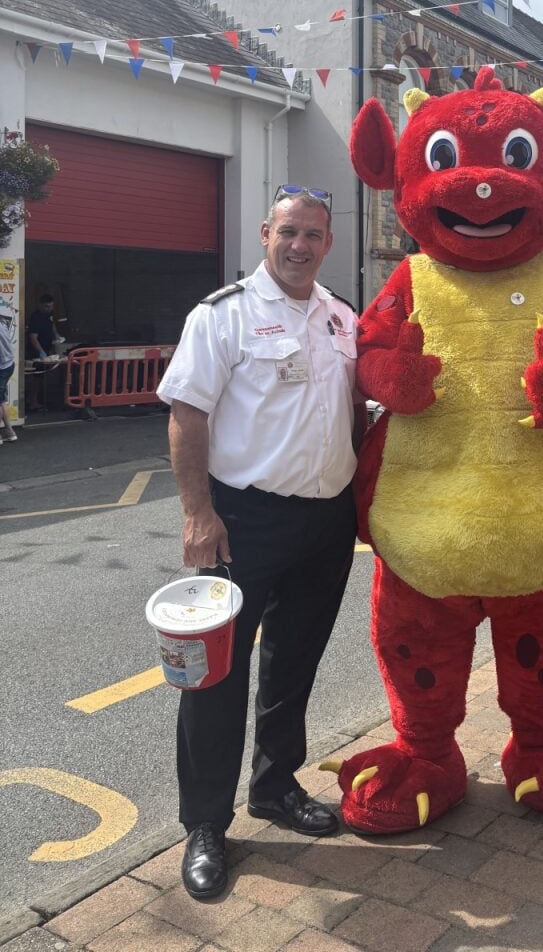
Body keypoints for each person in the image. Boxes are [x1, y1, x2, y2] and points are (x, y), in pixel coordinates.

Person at [156, 186, 365, 900]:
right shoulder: (223, 316)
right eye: (288, 232)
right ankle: (206, 825)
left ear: (327, 242)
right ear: (264, 234)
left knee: (293, 664)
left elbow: (354, 412)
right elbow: (187, 413)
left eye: (313, 234)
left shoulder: (342, 317)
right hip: (243, 519)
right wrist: (197, 513)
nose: (300, 245)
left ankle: (275, 788)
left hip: (327, 519)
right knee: (216, 675)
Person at [26, 294, 64, 411]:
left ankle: (37, 400)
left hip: (47, 348)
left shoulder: (49, 315)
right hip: (36, 351)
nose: (49, 309)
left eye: (51, 306)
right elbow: (33, 337)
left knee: (42, 377)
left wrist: (56, 335)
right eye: (47, 307)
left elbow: (52, 325)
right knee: (36, 377)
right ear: (40, 305)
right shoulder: (36, 317)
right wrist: (41, 352)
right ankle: (32, 402)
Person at [0, 310, 17, 443]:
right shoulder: (2, 321)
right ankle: (9, 431)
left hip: (1, 366)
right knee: (1, 400)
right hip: (8, 364)